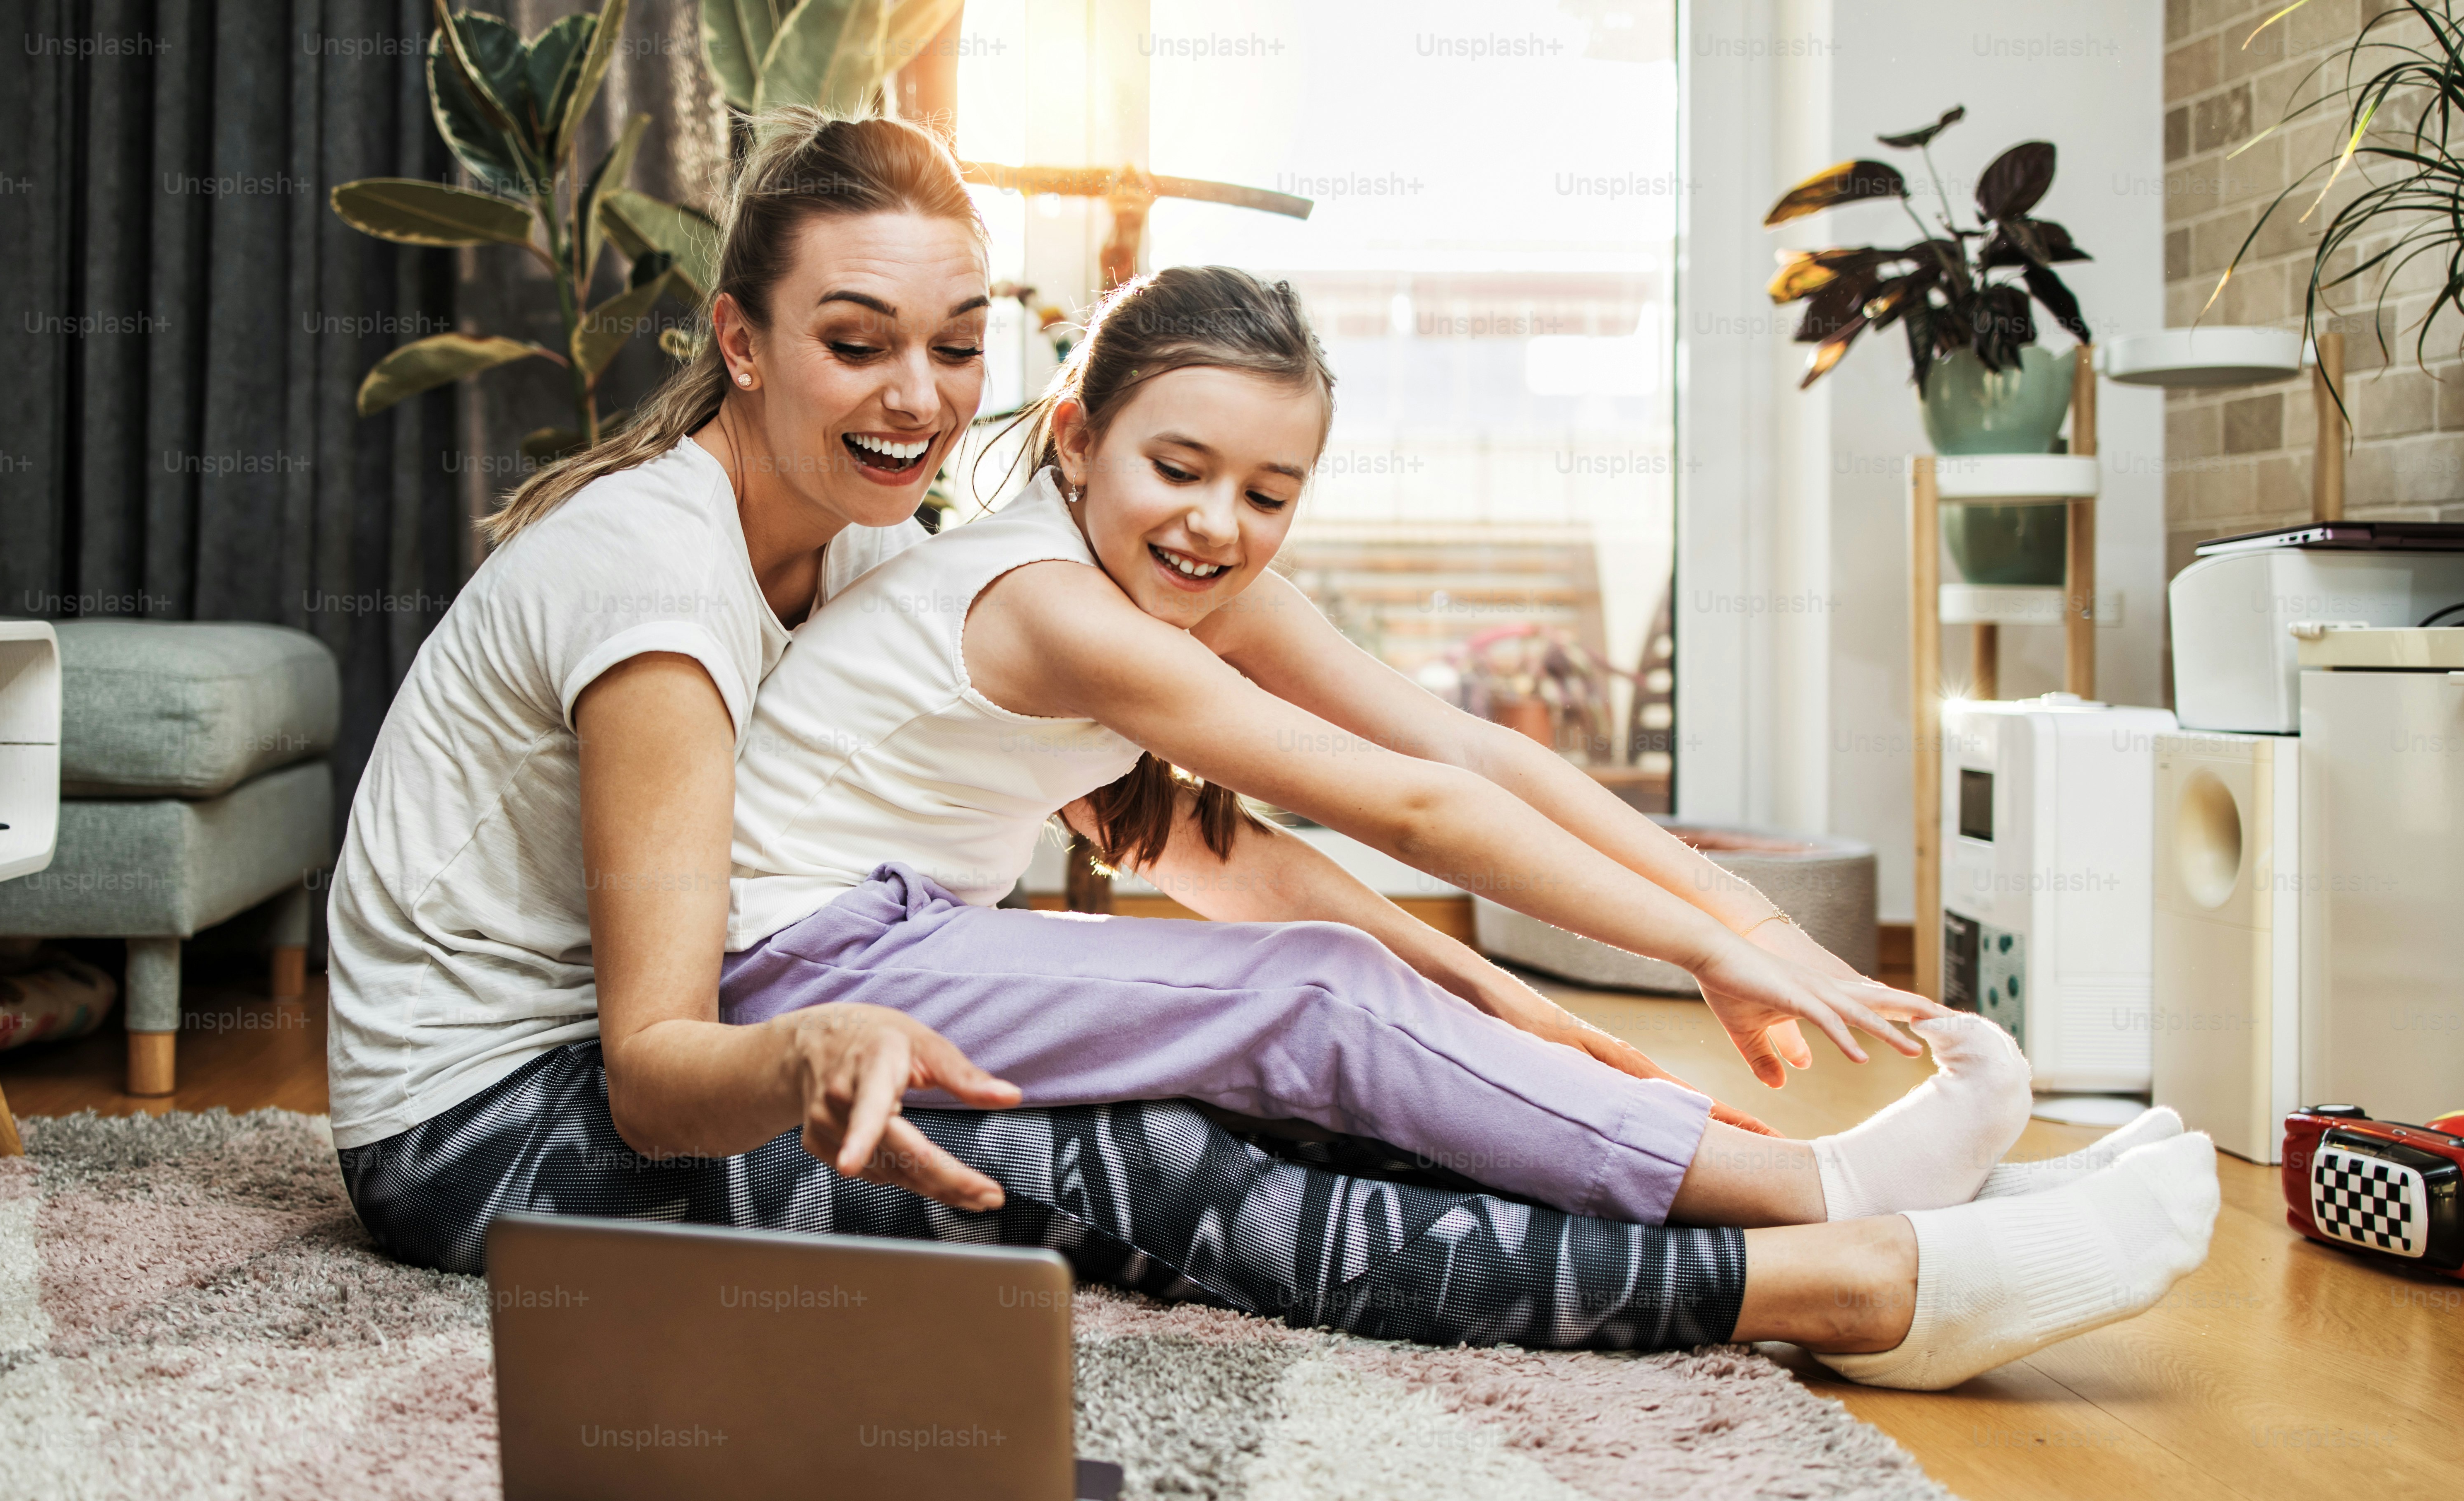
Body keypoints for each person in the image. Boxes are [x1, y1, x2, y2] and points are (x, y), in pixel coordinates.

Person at [323, 110, 2208, 1389]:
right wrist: (1725, 938)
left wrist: (1518, 1001)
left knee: (1279, 1058)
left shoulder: (880, 549)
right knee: (1140, 1158)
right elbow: (662, 1075)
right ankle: (1832, 1265)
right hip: (492, 1129)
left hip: (717, 1016)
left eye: (953, 344)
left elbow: (1224, 849)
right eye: (856, 341)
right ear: (739, 339)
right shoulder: (658, 586)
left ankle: (1876, 1207)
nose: (916, 398)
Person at [710, 261, 2222, 1390]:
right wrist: (1715, 945)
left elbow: (1441, 752)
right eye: (1178, 471)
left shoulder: (1178, 584)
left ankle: (1911, 1196)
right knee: (1320, 990)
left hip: (908, 937)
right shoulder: (1045, 602)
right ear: (1076, 436)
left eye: (1268, 493)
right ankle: (1825, 1195)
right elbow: (1415, 808)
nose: (1217, 528)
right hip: (796, 981)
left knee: (1355, 983)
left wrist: (1657, 956)